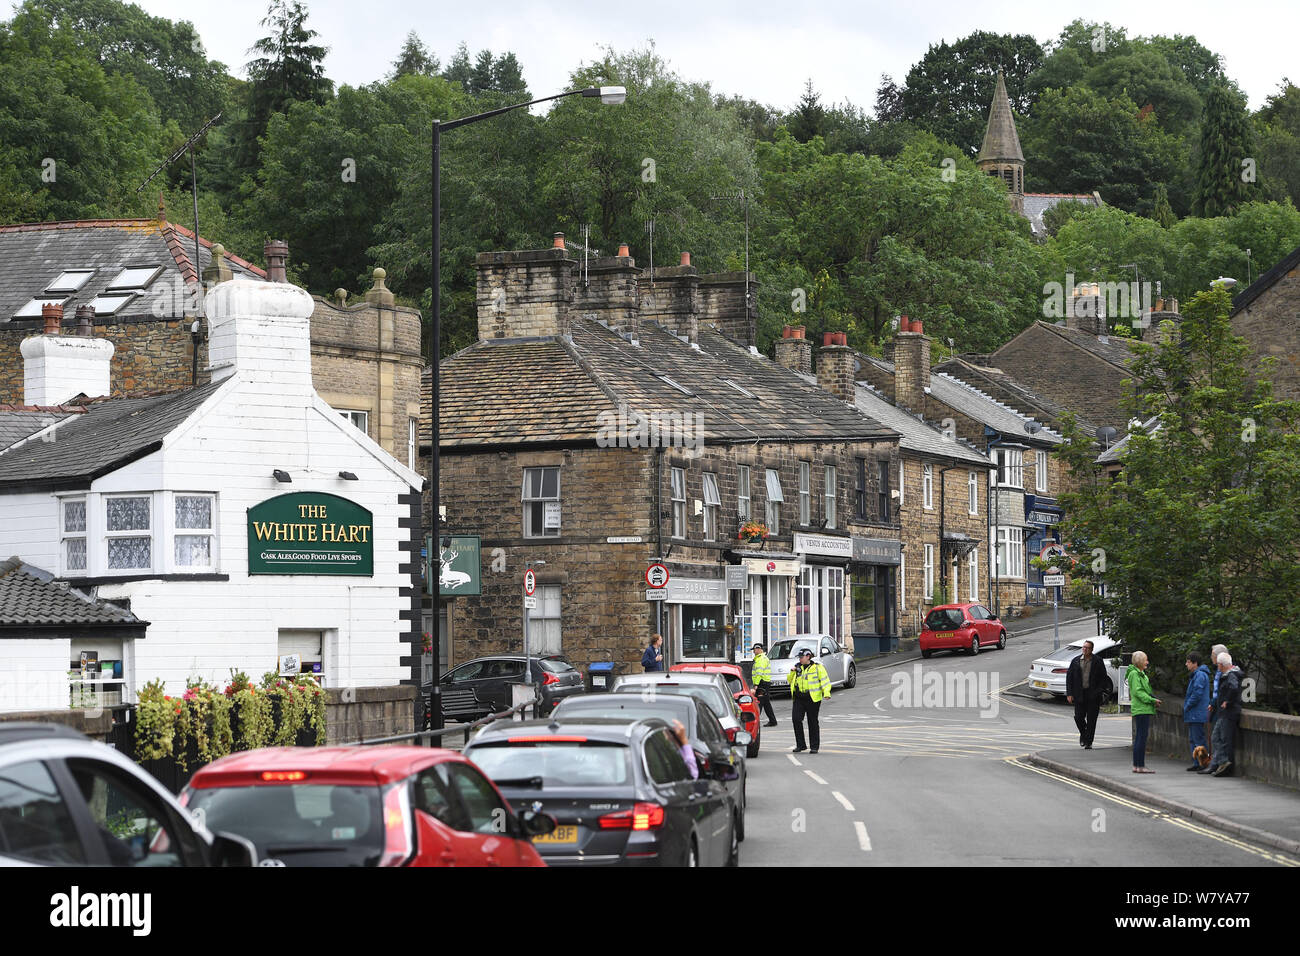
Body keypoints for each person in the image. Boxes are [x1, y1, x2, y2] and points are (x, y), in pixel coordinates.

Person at [1203, 653, 1242, 777]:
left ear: (1221, 665)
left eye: (1218, 665)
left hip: (1228, 712)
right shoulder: (1228, 675)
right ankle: (1223, 762)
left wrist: (1227, 701)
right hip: (1223, 712)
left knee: (1224, 739)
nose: (1217, 667)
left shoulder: (1231, 675)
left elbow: (1234, 688)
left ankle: (1225, 764)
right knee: (1216, 737)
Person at [787, 647, 831, 754]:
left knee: (812, 722)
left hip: (812, 698)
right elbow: (789, 680)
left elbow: (825, 681)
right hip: (798, 698)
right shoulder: (797, 667)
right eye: (799, 657)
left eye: (802, 657)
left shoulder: (817, 667)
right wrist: (792, 672)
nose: (800, 659)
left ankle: (814, 746)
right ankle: (801, 745)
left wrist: (826, 692)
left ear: (808, 656)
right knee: (796, 719)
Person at [1066, 639, 1106, 749]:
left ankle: (1088, 742)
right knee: (1078, 717)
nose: (1085, 649)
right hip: (1079, 694)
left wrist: (1098, 691)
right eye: (1084, 647)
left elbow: (1103, 678)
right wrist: (1069, 693)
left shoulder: (1098, 661)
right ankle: (1084, 735)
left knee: (1092, 720)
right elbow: (1069, 678)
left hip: (1093, 695)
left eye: (1087, 648)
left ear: (1092, 649)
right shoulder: (1075, 661)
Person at [1126, 650, 1161, 773]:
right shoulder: (1135, 675)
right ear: (1140, 661)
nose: (1147, 662)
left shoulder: (1140, 673)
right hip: (1141, 709)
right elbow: (1138, 692)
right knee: (1141, 737)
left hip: (1143, 708)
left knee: (1141, 737)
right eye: (1145, 660)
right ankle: (1139, 766)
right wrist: (1151, 700)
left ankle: (1138, 765)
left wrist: (1153, 700)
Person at [1182, 652, 1212, 771]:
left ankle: (1202, 764)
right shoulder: (1197, 675)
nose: (1186, 664)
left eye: (1188, 662)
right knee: (1194, 739)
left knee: (1198, 739)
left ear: (1195, 663)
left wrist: (1187, 706)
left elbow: (1197, 694)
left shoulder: (1199, 675)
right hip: (1194, 713)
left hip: (1196, 712)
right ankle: (1197, 763)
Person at [750, 642, 777, 727]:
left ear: (758, 649)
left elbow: (759, 673)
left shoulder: (760, 659)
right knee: (766, 703)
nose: (753, 652)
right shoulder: (761, 658)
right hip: (764, 683)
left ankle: (755, 722)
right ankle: (773, 721)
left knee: (759, 703)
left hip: (762, 683)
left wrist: (756, 685)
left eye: (754, 650)